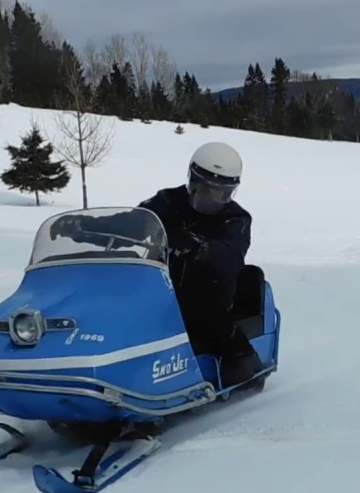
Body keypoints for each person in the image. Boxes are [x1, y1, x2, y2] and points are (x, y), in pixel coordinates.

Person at [49, 141, 262, 386]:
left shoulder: (235, 219)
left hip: (209, 292)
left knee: (201, 310)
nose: (210, 198)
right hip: (158, 282)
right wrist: (83, 227)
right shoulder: (169, 202)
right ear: (191, 178)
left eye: (220, 192)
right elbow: (130, 223)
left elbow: (230, 257)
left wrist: (200, 248)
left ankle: (241, 356)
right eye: (203, 188)